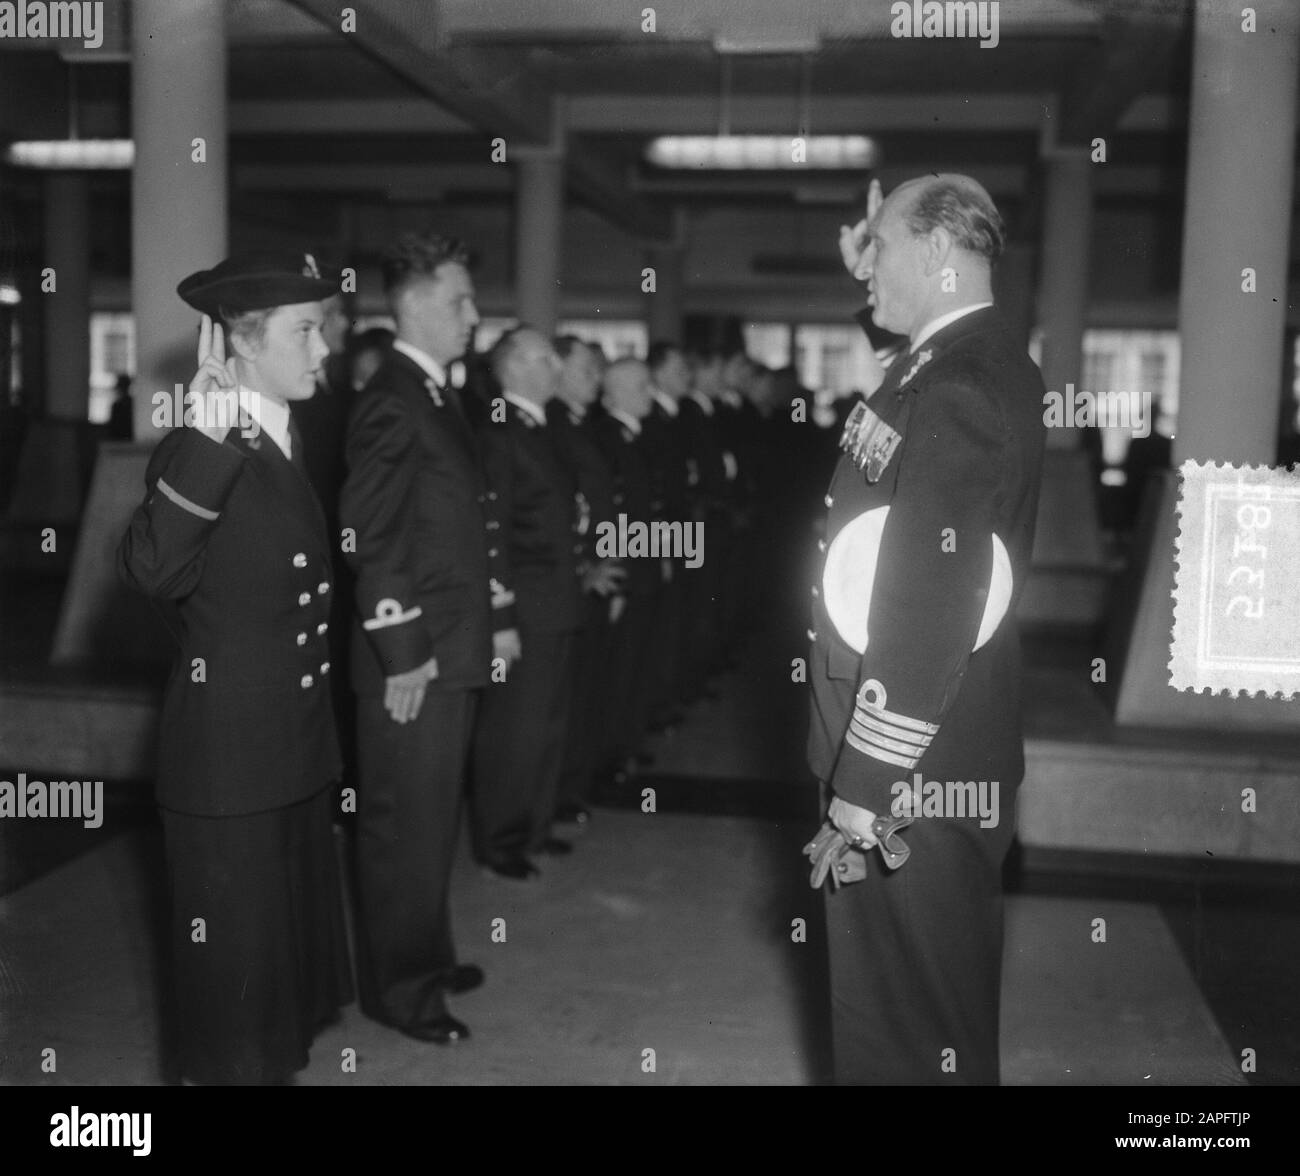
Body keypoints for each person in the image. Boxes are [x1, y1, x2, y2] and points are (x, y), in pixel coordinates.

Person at [807, 174, 1046, 1085]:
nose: (869, 267)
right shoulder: (960, 361)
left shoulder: (962, 384)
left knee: (909, 1027)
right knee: (899, 1013)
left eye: (885, 249)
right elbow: (905, 392)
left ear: (938, 253)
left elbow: (932, 587)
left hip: (915, 767)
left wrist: (867, 774)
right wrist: (872, 297)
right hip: (933, 753)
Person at [117, 252, 351, 1085]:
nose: (323, 349)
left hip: (290, 746)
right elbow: (152, 571)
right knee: (232, 980)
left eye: (319, 328)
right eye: (305, 331)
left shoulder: (284, 435)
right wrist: (208, 438)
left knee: (278, 965)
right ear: (244, 345)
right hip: (229, 758)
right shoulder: (202, 447)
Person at [340, 233, 508, 1044]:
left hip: (450, 648)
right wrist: (403, 652)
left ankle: (427, 956)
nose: (474, 316)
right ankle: (399, 991)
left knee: (431, 823)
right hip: (417, 661)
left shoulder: (437, 393)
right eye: (460, 301)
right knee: (403, 827)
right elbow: (370, 535)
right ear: (412, 306)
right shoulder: (392, 397)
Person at [470, 327, 586, 874]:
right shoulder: (499, 429)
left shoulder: (543, 426)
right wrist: (501, 614)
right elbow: (491, 529)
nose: (556, 370)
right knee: (513, 730)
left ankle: (534, 828)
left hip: (557, 601)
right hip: (526, 608)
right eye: (545, 360)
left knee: (546, 726)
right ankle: (500, 840)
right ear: (512, 366)